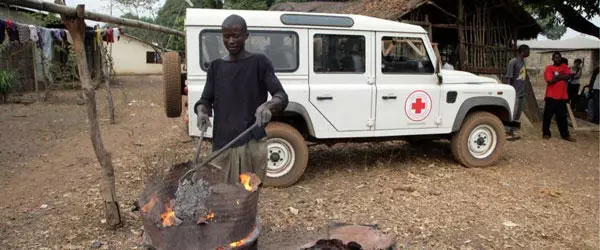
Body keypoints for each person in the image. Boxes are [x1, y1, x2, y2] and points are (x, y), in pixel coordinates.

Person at [194, 14, 289, 184]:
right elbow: (205, 100)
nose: (231, 41)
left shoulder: (259, 62)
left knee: (247, 197)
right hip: (222, 145)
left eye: (236, 36)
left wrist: (268, 106)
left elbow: (281, 96)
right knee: (221, 194)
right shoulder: (216, 67)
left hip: (252, 143)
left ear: (246, 35)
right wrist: (201, 111)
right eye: (226, 36)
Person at [542, 52, 576, 142]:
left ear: (561, 58)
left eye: (559, 57)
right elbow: (550, 81)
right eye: (555, 58)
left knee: (562, 117)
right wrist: (562, 76)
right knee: (547, 116)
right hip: (551, 96)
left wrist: (557, 76)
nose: (557, 59)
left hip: (562, 97)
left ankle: (565, 135)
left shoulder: (564, 67)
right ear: (552, 59)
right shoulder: (549, 68)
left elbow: (568, 77)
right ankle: (546, 133)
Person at [504, 44, 530, 140]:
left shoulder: (522, 62)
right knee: (512, 112)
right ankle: (507, 132)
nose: (529, 53)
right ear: (523, 51)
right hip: (514, 92)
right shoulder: (513, 62)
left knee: (518, 113)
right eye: (528, 50)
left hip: (521, 92)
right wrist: (510, 92)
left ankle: (513, 131)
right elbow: (508, 77)